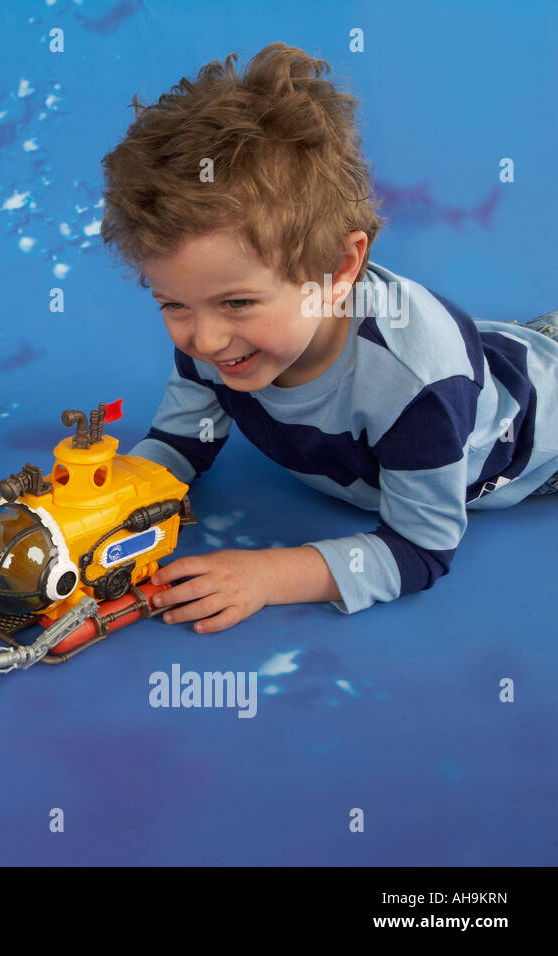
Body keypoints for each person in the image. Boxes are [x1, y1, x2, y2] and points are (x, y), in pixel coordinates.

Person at [99, 42, 558, 632]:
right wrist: (108, 506)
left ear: (339, 270)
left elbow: (420, 550)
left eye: (237, 302)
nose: (206, 340)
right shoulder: (217, 329)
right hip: (498, 353)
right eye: (172, 304)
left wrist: (266, 576)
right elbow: (181, 442)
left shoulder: (417, 391)